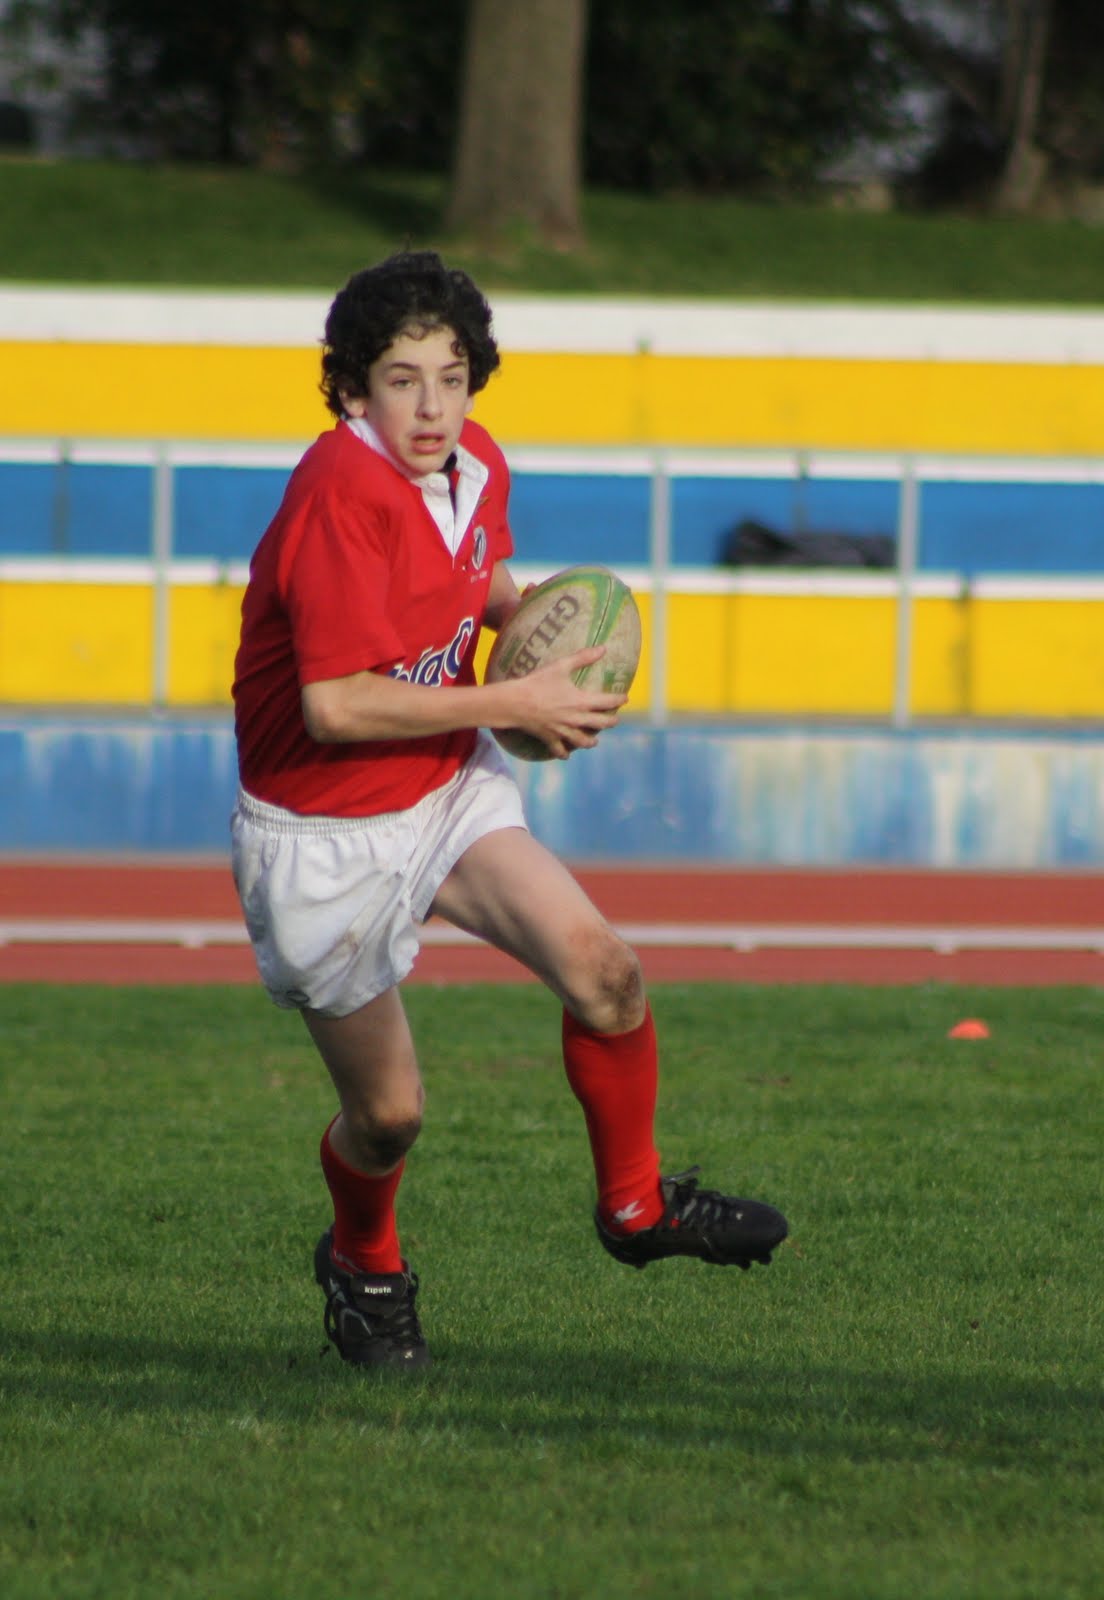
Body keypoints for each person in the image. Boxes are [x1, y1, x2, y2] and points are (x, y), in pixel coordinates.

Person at [230, 250, 788, 1371]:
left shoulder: (474, 463)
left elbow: (472, 575)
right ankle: (363, 1263)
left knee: (608, 974)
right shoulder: (340, 495)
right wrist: (514, 699)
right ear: (353, 388)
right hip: (322, 834)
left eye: (451, 377)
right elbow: (334, 706)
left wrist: (536, 627)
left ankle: (636, 1209)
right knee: (389, 1117)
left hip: (440, 783)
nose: (432, 408)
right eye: (402, 380)